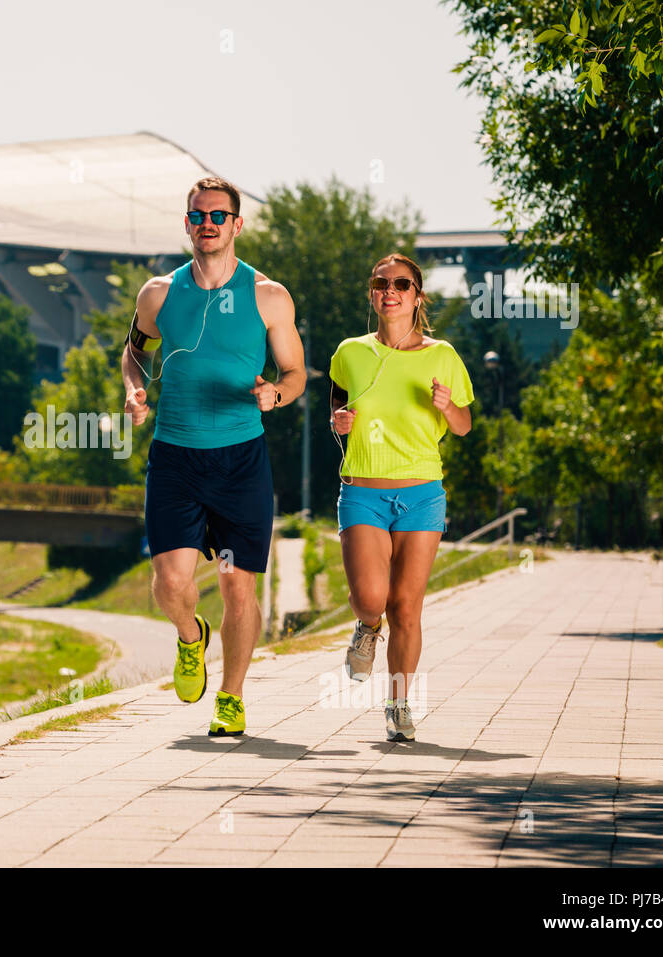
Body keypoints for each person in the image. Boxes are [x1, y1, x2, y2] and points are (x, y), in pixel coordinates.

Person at [123, 176, 306, 736]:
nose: (208, 224)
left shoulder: (268, 296)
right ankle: (189, 637)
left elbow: (295, 373)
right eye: (198, 216)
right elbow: (133, 354)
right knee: (170, 583)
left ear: (237, 225)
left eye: (219, 216)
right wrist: (134, 389)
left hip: (238, 461)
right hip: (176, 458)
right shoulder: (158, 295)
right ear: (187, 223)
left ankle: (231, 697)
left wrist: (277, 393)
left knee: (235, 584)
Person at [329, 253, 473, 742]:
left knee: (407, 607)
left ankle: (398, 704)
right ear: (373, 292)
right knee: (371, 599)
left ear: (417, 296)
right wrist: (338, 420)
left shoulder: (443, 355)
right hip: (363, 493)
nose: (390, 290)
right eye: (381, 282)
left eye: (401, 284)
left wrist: (447, 405)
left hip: (422, 495)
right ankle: (366, 628)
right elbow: (337, 397)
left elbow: (463, 426)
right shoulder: (350, 352)